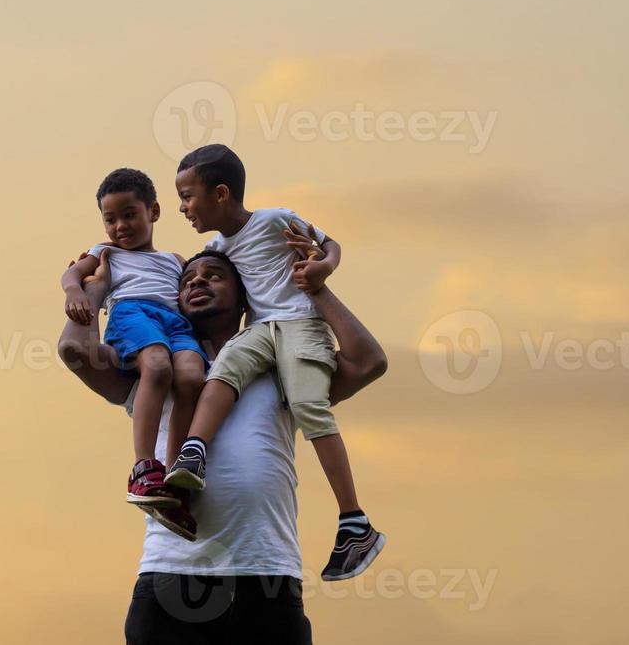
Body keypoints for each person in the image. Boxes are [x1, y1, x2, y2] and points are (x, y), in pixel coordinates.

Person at [58, 233, 388, 644]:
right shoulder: (156, 371)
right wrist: (92, 292)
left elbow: (369, 361)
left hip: (268, 574)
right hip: (173, 572)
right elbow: (74, 352)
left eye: (213, 276)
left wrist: (313, 285)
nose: (196, 283)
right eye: (187, 280)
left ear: (245, 297)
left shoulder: (281, 367)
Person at [170, 145, 383, 580]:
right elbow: (193, 274)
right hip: (260, 329)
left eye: (188, 196)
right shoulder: (216, 246)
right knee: (226, 369)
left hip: (301, 324)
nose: (183, 207)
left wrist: (321, 269)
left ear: (221, 194)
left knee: (308, 404)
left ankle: (355, 521)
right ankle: (193, 452)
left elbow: (331, 244)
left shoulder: (272, 220)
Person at [62, 168, 206, 511]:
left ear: (153, 212)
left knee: (190, 375)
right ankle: (144, 467)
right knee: (156, 366)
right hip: (133, 314)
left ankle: (174, 472)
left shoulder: (174, 260)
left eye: (129, 215)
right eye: (110, 219)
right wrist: (74, 292)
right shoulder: (106, 253)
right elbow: (72, 273)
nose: (120, 226)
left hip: (175, 322)